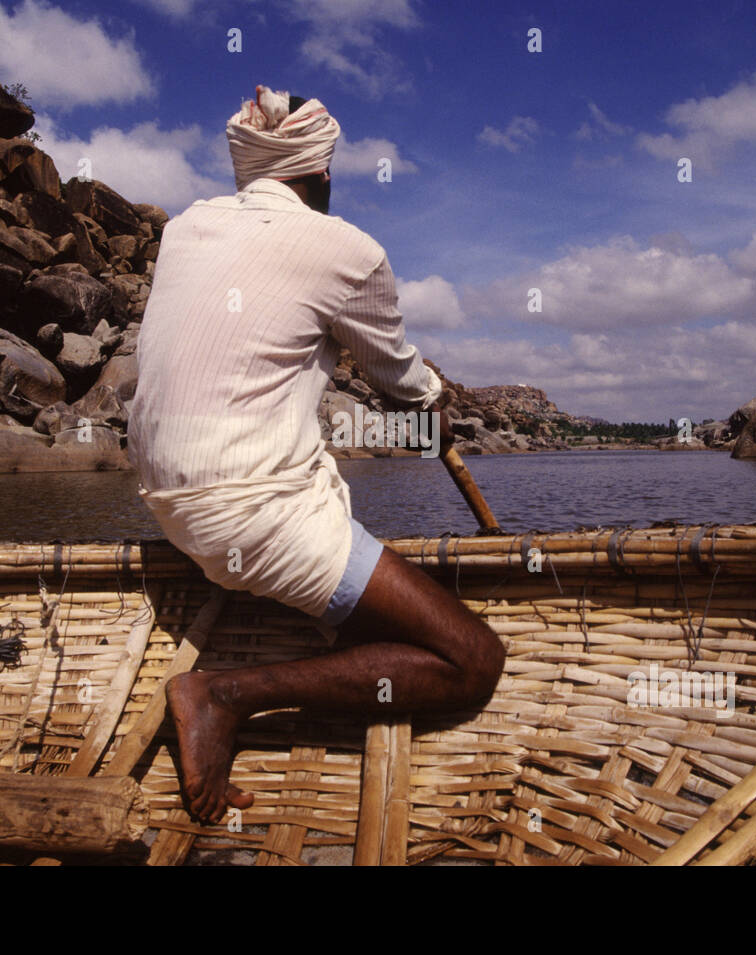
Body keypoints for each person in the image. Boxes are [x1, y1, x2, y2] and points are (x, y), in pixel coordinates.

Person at [126, 85, 505, 825]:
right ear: (322, 174)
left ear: (249, 169)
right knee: (471, 657)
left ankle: (312, 640)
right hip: (247, 514)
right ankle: (224, 693)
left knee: (373, 608)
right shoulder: (348, 249)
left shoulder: (186, 229)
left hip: (166, 502)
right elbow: (401, 378)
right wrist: (435, 403)